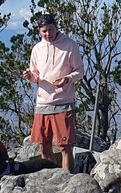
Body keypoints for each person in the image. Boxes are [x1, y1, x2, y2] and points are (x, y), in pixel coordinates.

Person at [21, 12, 84, 172]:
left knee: (65, 146)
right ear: (39, 31)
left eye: (50, 29)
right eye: (44, 31)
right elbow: (36, 76)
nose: (48, 34)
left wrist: (67, 79)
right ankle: (50, 178)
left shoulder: (70, 45)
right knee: (43, 145)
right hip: (42, 102)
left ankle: (67, 179)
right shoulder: (37, 49)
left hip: (63, 102)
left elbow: (80, 70)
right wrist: (30, 77)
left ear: (56, 27)